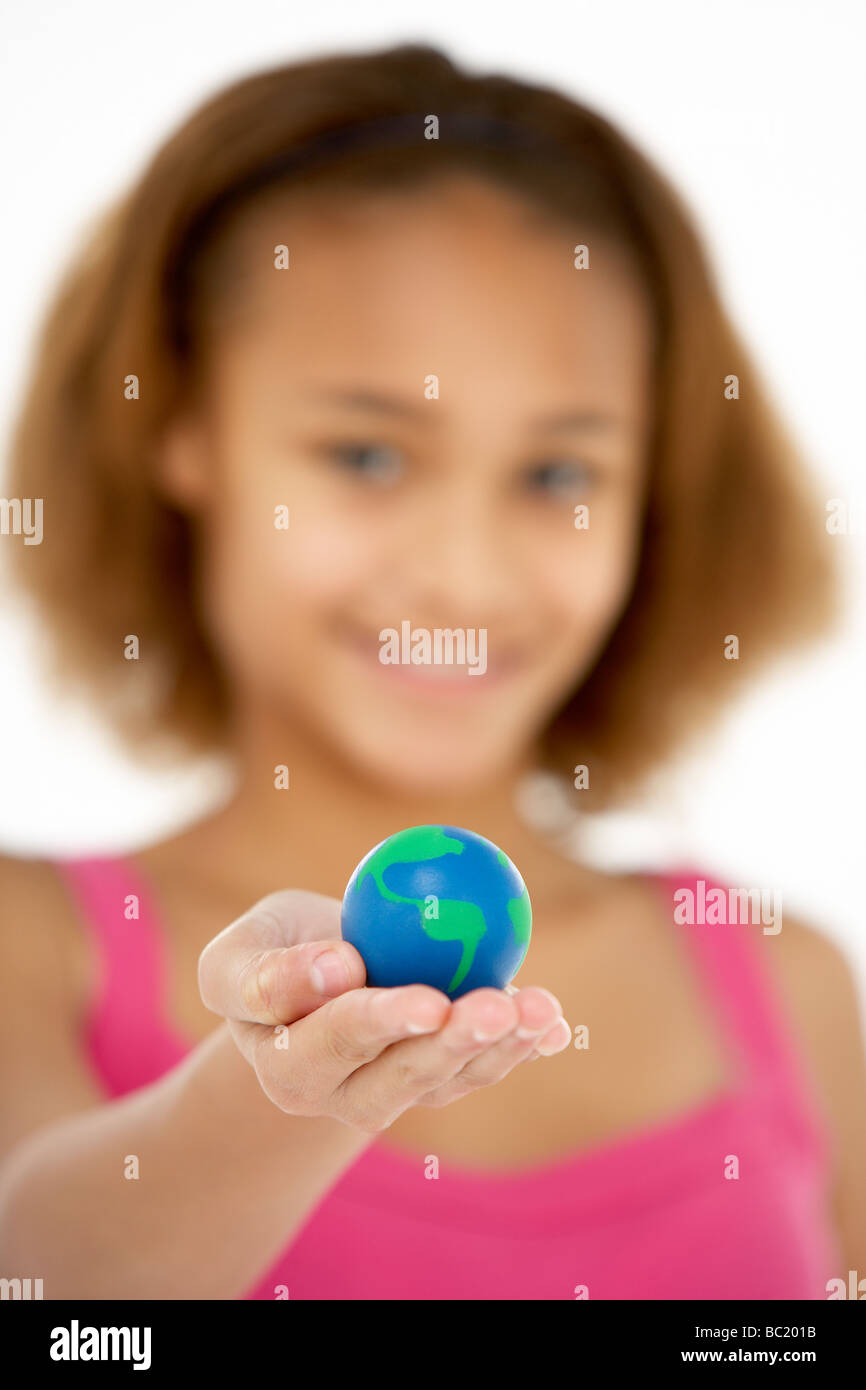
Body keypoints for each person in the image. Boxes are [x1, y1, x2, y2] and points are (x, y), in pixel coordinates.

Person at [1, 42, 864, 1300]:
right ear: (179, 431)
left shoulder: (784, 977)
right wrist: (281, 1091)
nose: (461, 578)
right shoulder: (32, 945)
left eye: (556, 474)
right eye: (364, 455)